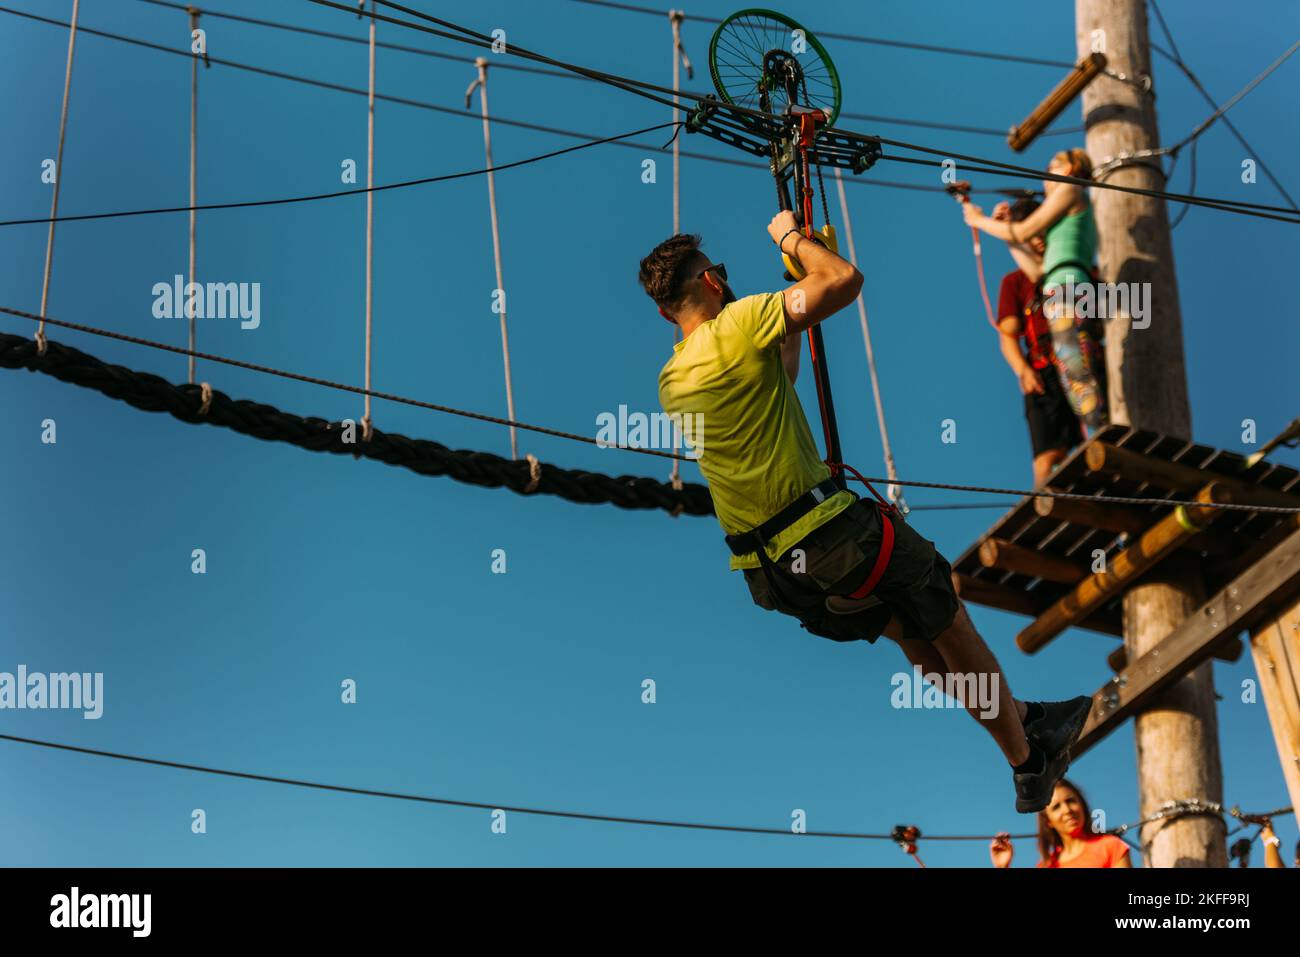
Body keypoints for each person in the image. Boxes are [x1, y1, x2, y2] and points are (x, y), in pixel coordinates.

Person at [638, 214, 1091, 813]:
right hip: (826, 534)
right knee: (945, 607)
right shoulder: (743, 321)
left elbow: (783, 375)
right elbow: (846, 280)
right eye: (719, 272)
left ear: (667, 313)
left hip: (773, 574)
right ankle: (1029, 763)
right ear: (714, 284)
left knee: (915, 635)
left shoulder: (672, 379)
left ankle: (1026, 719)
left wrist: (796, 291)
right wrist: (791, 241)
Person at [963, 149, 1107, 433]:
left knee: (1076, 363)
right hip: (1062, 286)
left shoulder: (1070, 189)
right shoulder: (1071, 203)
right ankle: (1098, 424)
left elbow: (1025, 231)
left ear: (1070, 170)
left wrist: (978, 220)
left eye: (1054, 166)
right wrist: (1007, 231)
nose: (1046, 175)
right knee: (1073, 364)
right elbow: (1036, 272)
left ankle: (1102, 424)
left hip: (1068, 288)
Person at [991, 197, 1084, 487]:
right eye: (1031, 236)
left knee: (1089, 445)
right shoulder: (1016, 282)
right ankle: (1044, 507)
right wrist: (1023, 369)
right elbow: (1007, 335)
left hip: (1080, 364)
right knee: (1046, 458)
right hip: (1043, 371)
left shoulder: (1072, 269)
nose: (1039, 241)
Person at [989, 778, 1132, 867]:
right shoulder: (1046, 866)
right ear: (1048, 821)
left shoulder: (1110, 846)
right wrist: (1002, 867)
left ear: (1081, 805)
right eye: (1056, 807)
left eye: (1071, 801)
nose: (1067, 810)